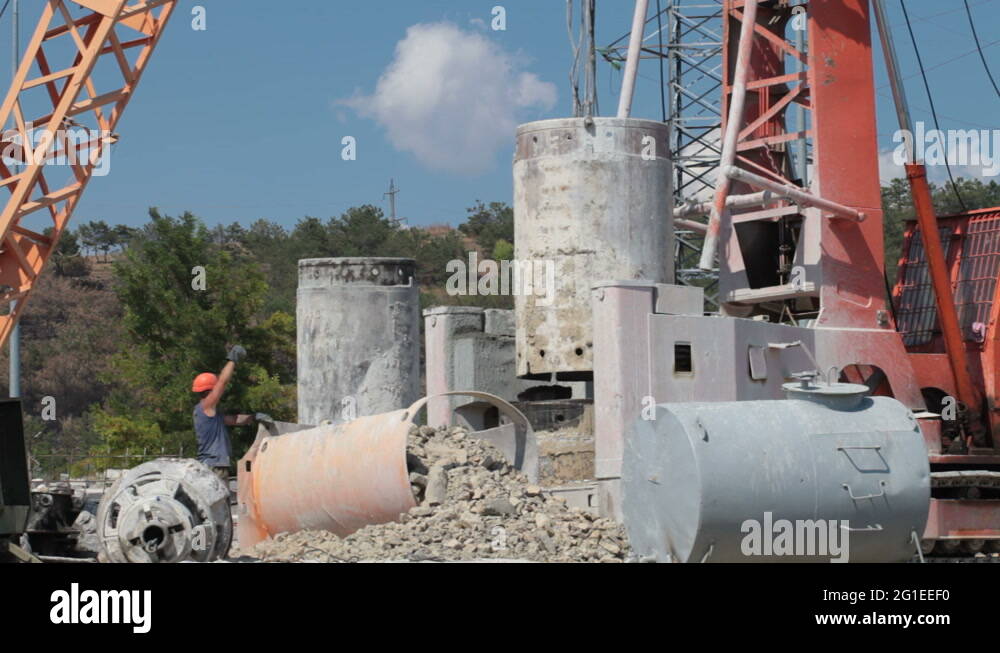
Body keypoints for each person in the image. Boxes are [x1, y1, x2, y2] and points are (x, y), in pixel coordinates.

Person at [191, 345, 256, 486]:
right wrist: (232, 360)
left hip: (212, 464)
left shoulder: (208, 413)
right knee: (219, 504)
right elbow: (223, 382)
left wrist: (254, 417)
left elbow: (234, 420)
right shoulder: (206, 405)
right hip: (213, 466)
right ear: (209, 390)